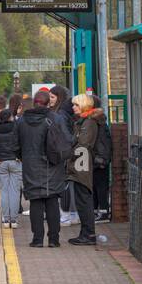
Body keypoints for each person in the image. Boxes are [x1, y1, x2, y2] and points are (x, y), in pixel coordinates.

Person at [16, 89, 67, 247]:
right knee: (52, 203)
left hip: (31, 167)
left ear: (34, 103)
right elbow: (65, 142)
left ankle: (37, 240)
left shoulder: (22, 121)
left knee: (36, 204)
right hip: (52, 168)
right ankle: (54, 240)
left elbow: (15, 145)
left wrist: (24, 157)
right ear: (48, 103)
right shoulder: (56, 119)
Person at [67, 94, 107, 246]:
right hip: (80, 164)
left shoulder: (89, 123)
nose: (73, 107)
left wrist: (69, 154)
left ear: (83, 106)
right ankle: (85, 233)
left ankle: (88, 234)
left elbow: (83, 144)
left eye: (76, 105)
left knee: (84, 200)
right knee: (81, 200)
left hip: (82, 165)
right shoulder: (83, 121)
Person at [49, 84, 79, 227]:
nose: (50, 100)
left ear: (59, 97)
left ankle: (67, 215)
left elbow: (66, 136)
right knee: (70, 184)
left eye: (52, 97)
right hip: (68, 152)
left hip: (64, 154)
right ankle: (72, 214)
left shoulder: (60, 114)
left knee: (66, 185)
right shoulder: (65, 113)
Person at [0, 108, 22, 227]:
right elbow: (22, 141)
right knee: (15, 191)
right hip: (15, 161)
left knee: (4, 191)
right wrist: (20, 156)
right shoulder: (16, 127)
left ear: (0, 118)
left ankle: (6, 219)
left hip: (1, 162)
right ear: (10, 117)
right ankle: (14, 220)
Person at [90, 93, 113, 223]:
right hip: (97, 160)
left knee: (100, 186)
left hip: (99, 161)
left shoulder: (98, 122)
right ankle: (98, 211)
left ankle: (104, 212)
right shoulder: (97, 120)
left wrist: (102, 160)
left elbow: (103, 143)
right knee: (95, 186)